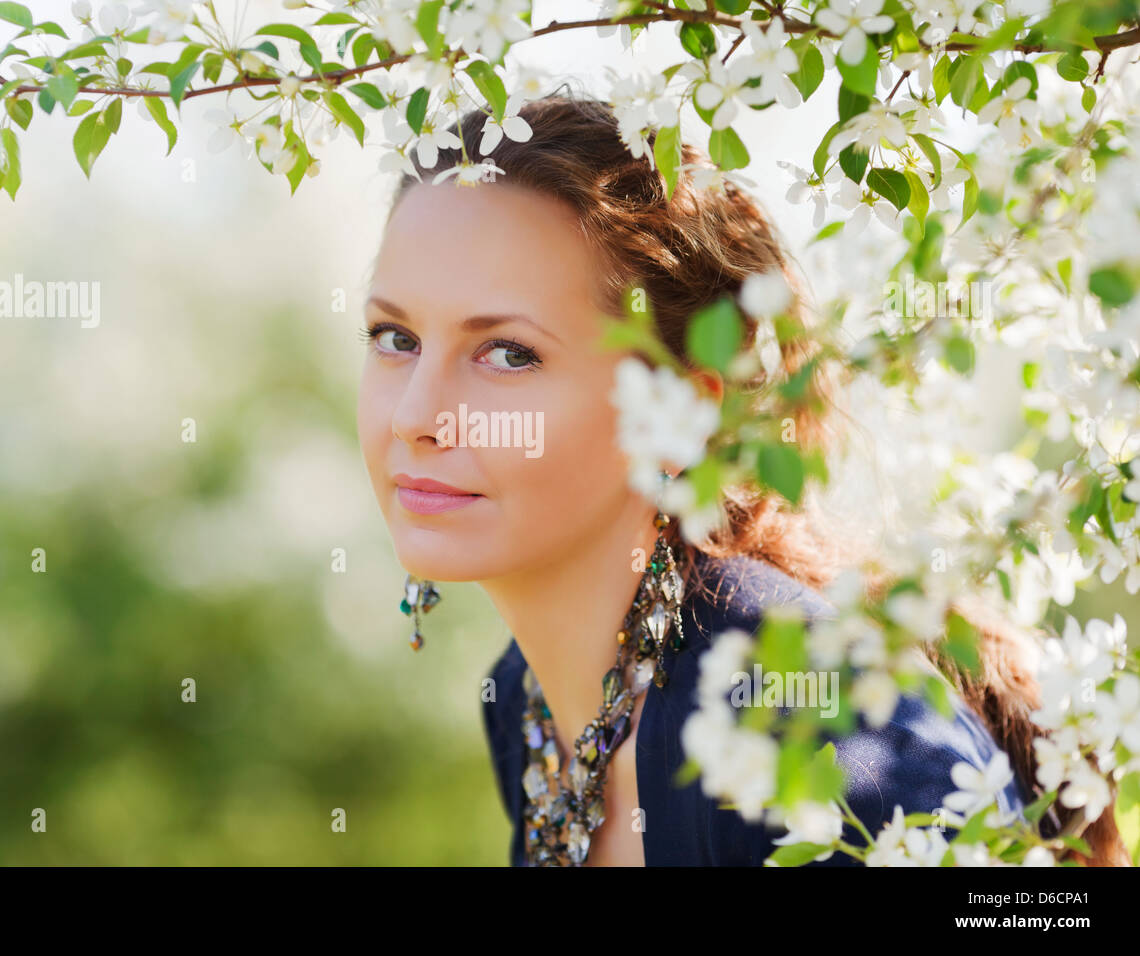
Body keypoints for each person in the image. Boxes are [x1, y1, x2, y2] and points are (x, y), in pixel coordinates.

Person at [354, 87, 1130, 866]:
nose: (416, 416)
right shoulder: (528, 709)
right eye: (394, 337)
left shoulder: (815, 723)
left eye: (509, 353)